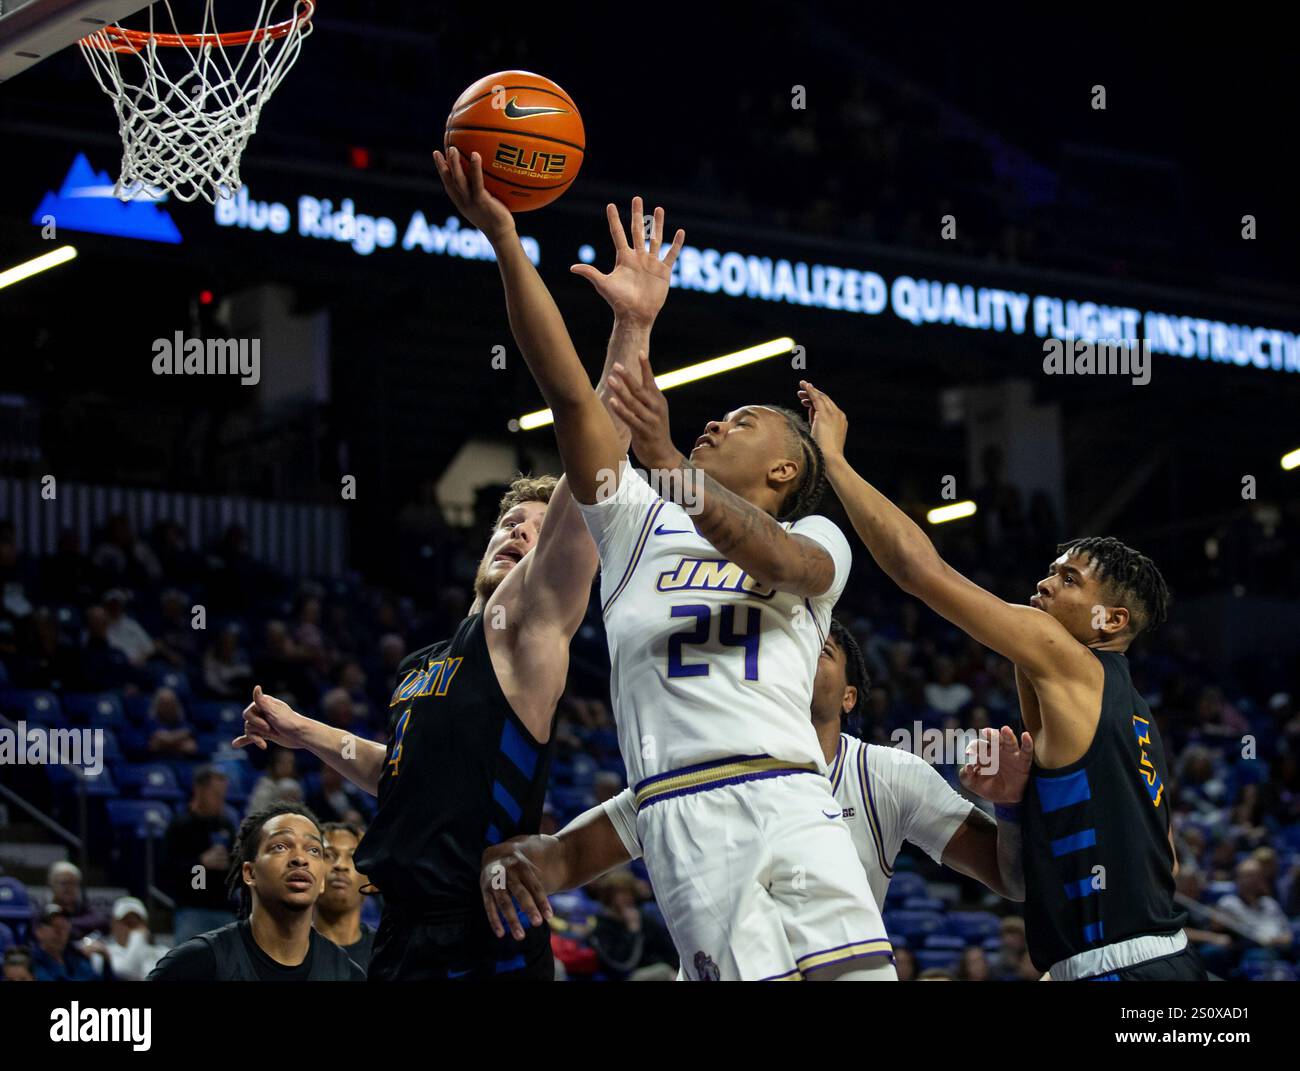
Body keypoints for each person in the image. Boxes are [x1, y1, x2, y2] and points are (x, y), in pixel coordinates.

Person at [436, 146, 890, 982]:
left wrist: (667, 455)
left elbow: (776, 554)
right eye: (712, 416)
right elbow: (572, 395)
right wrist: (507, 242)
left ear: (786, 469)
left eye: (743, 419)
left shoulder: (820, 536)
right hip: (686, 810)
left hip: (796, 796)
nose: (718, 422)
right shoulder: (636, 520)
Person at [234, 188, 681, 981]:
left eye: (539, 530)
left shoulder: (530, 622)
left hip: (484, 934)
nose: (518, 531)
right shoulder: (426, 663)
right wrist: (304, 730)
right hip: (401, 935)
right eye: (509, 523)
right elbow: (398, 776)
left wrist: (632, 328)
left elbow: (595, 443)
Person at [796, 380, 1202, 982]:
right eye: (1049, 571)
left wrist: (834, 461)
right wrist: (1013, 811)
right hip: (1157, 957)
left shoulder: (1069, 659)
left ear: (1110, 621)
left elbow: (917, 569)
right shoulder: (1134, 714)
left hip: (1114, 968)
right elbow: (1158, 851)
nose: (1043, 584)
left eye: (1068, 581)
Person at [482, 619, 1028, 943]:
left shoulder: (887, 774)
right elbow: (566, 857)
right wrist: (510, 860)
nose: (800, 651)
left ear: (848, 697)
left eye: (822, 649)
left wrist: (1009, 809)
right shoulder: (694, 765)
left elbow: (1014, 880)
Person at [148, 804, 364, 981]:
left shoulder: (347, 974)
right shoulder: (197, 962)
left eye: (314, 850)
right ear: (250, 873)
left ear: (322, 882)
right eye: (280, 846)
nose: (300, 858)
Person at [161, 764, 237, 943]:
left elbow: (237, 863)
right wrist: (200, 863)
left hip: (224, 909)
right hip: (192, 909)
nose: (221, 800)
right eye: (216, 795)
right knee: (187, 965)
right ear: (200, 791)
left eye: (223, 795)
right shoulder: (181, 826)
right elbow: (168, 868)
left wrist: (230, 865)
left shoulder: (225, 825)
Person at [313, 822, 376, 971]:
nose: (340, 865)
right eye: (328, 855)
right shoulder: (285, 949)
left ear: (371, 880)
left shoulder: (389, 952)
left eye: (353, 857)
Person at [30, 904, 109, 981]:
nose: (59, 932)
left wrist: (106, 960)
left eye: (63, 926)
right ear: (39, 931)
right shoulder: (32, 962)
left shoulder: (76, 959)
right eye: (53, 926)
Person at [46, 861, 110, 942]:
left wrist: (68, 924)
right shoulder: (44, 911)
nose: (68, 888)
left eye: (73, 883)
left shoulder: (84, 909)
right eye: (64, 883)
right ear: (52, 885)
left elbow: (101, 921)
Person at [102, 897, 164, 981]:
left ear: (145, 925)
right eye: (127, 923)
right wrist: (137, 937)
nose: (131, 930)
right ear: (114, 925)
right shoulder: (106, 952)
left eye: (135, 924)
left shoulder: (161, 952)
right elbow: (128, 971)